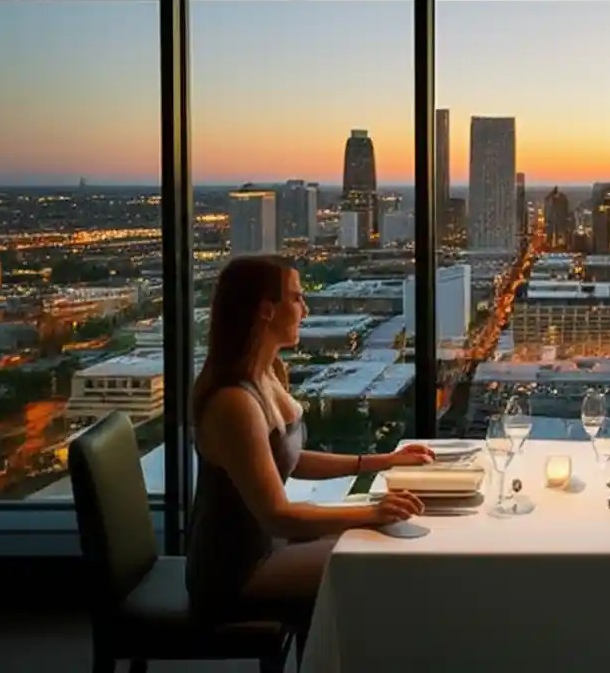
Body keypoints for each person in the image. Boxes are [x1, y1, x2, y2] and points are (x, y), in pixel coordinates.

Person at [186, 255, 434, 619]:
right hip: (238, 571)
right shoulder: (234, 403)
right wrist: (371, 512)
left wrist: (384, 460)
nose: (306, 308)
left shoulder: (269, 373)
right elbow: (277, 517)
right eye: (298, 298)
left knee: (391, 544)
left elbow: (292, 459)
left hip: (274, 545)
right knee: (390, 568)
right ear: (267, 309)